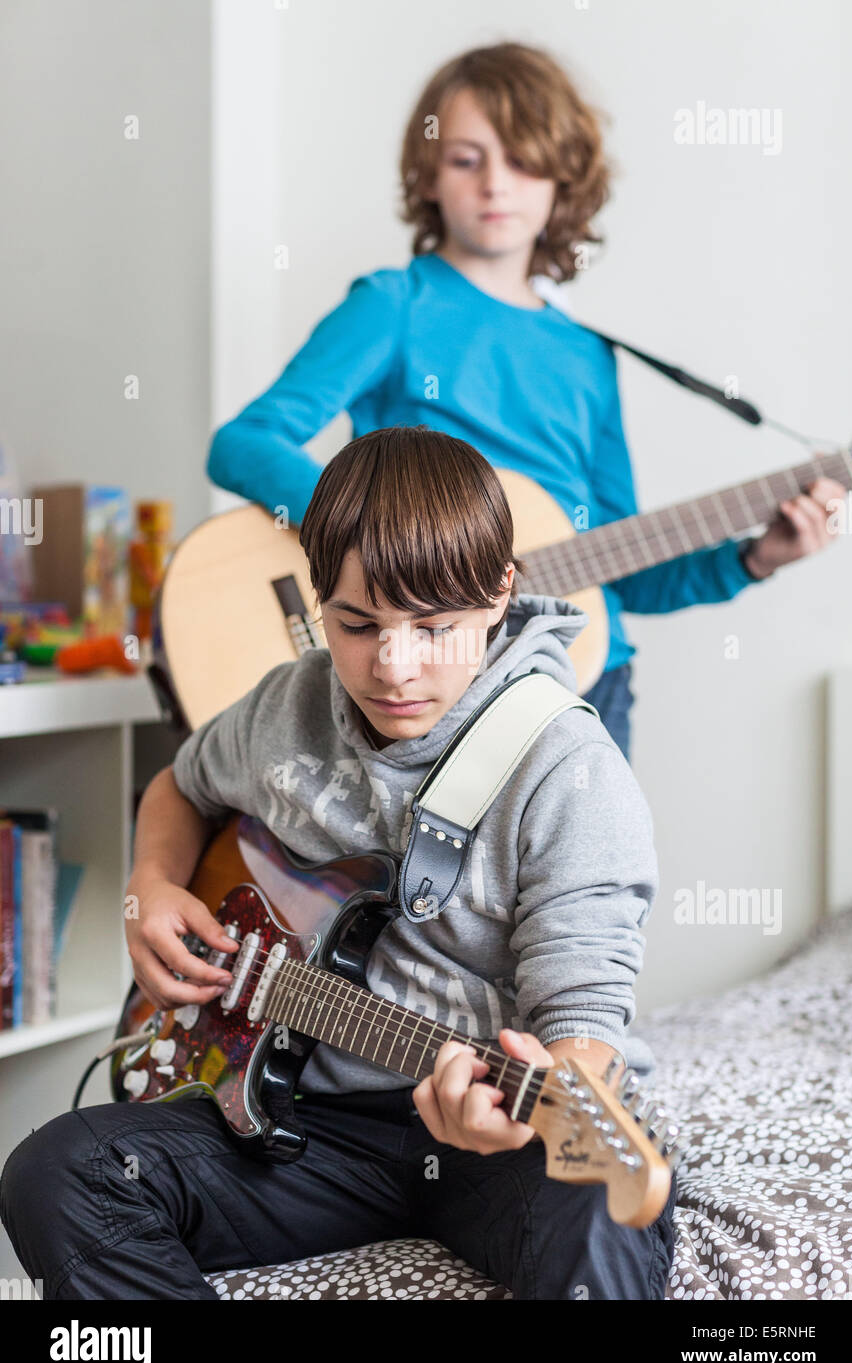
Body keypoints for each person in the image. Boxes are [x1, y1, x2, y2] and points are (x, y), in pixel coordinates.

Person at [0, 426, 676, 1301]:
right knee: (57, 1171)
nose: (394, 667)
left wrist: (530, 1103)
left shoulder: (570, 770)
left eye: (435, 628)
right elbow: (180, 784)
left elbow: (583, 1027)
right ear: (320, 599)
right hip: (305, 1127)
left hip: (499, 1142)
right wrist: (152, 886)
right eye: (358, 625)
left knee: (600, 1204)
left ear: (501, 591)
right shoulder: (289, 702)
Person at [204, 41, 846, 762]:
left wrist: (754, 557)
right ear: (429, 176)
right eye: (466, 159)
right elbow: (242, 442)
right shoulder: (395, 305)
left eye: (523, 159)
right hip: (431, 682)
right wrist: (387, 529)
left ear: (563, 179)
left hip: (584, 683)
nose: (496, 185)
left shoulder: (587, 354)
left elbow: (621, 564)